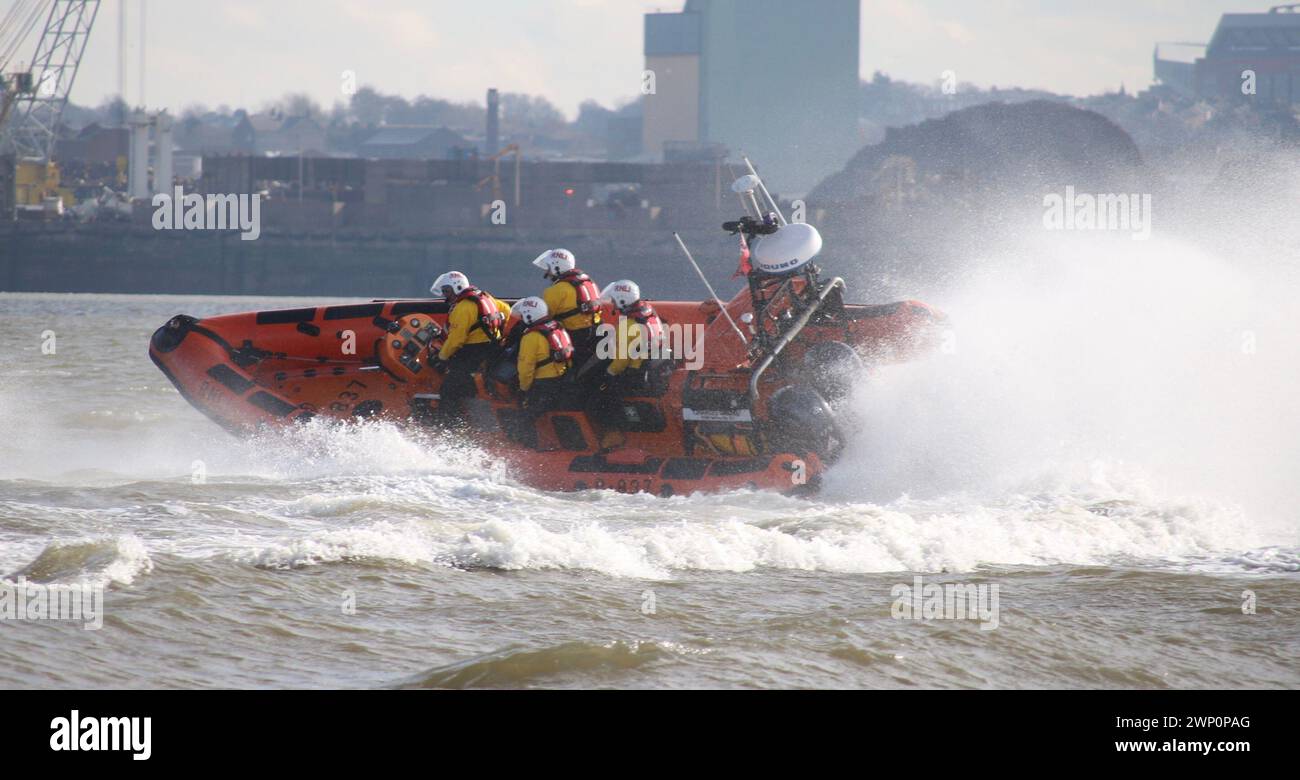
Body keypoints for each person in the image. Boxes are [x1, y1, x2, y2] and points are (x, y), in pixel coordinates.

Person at [429, 271, 509, 419]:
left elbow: (456, 340)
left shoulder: (463, 308)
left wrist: (441, 357)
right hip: (493, 348)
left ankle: (449, 426)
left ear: (457, 288)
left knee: (448, 389)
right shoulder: (486, 297)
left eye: (447, 291)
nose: (445, 295)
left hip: (474, 354)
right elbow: (506, 311)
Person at [594, 279, 668, 395]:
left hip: (635, 372)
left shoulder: (627, 325)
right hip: (651, 362)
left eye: (614, 300)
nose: (613, 303)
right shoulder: (649, 311)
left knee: (600, 390)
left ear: (622, 300)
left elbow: (621, 362)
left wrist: (608, 373)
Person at [532, 248, 601, 366]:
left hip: (572, 336)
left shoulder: (555, 290)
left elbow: (542, 318)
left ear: (556, 267)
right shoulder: (589, 283)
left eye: (549, 268)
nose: (548, 273)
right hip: (594, 332)